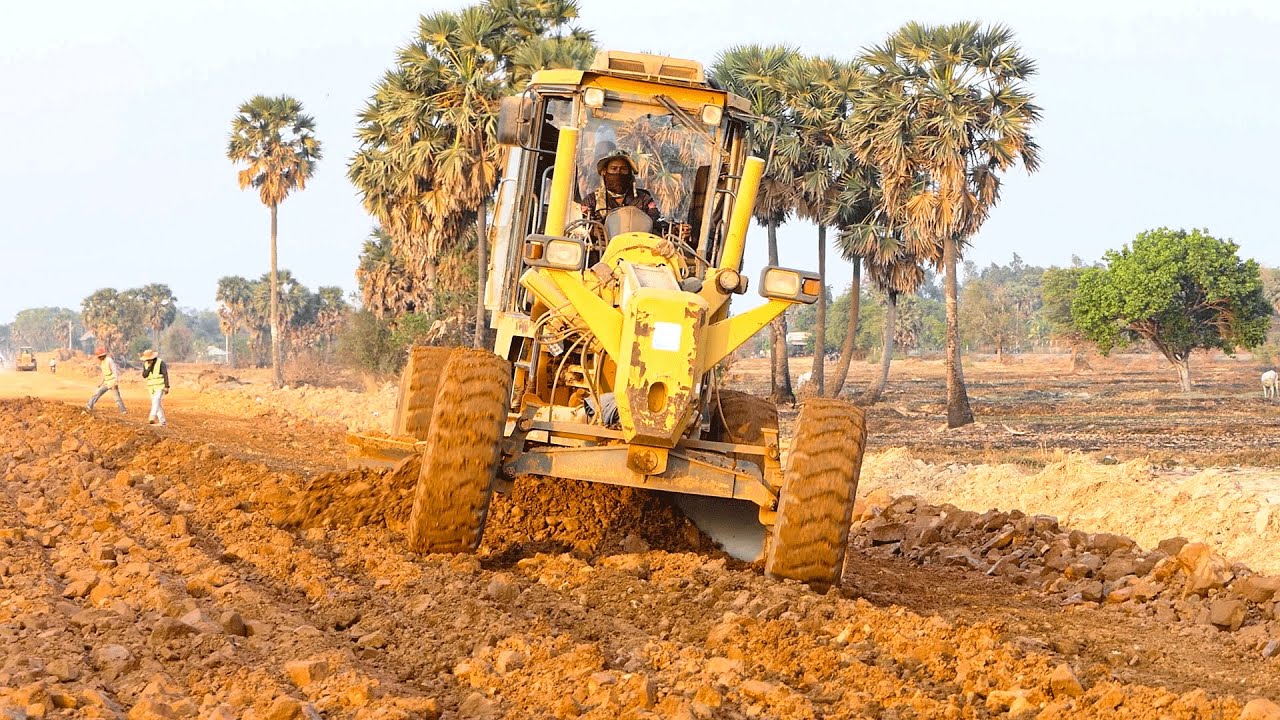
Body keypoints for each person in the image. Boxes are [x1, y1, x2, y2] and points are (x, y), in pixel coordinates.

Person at [579, 150, 661, 231]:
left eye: (623, 169)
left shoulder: (643, 199)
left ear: (629, 173)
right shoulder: (592, 200)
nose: (618, 172)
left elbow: (657, 223)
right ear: (604, 171)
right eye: (613, 168)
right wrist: (594, 231)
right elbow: (581, 226)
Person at [86, 346, 126, 414]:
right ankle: (89, 406)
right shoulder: (102, 362)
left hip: (112, 381)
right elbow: (104, 374)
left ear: (102, 355)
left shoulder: (109, 360)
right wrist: (100, 383)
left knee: (117, 398)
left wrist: (115, 382)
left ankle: (123, 411)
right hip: (106, 382)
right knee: (97, 393)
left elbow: (115, 371)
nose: (99, 358)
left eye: (99, 356)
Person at [140, 349, 170, 426]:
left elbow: (165, 374)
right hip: (151, 387)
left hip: (160, 386)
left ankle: (152, 416)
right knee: (157, 403)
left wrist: (167, 386)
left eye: (149, 359)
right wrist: (149, 367)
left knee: (156, 400)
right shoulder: (146, 364)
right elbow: (144, 375)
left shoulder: (161, 363)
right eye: (146, 360)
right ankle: (162, 422)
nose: (148, 361)